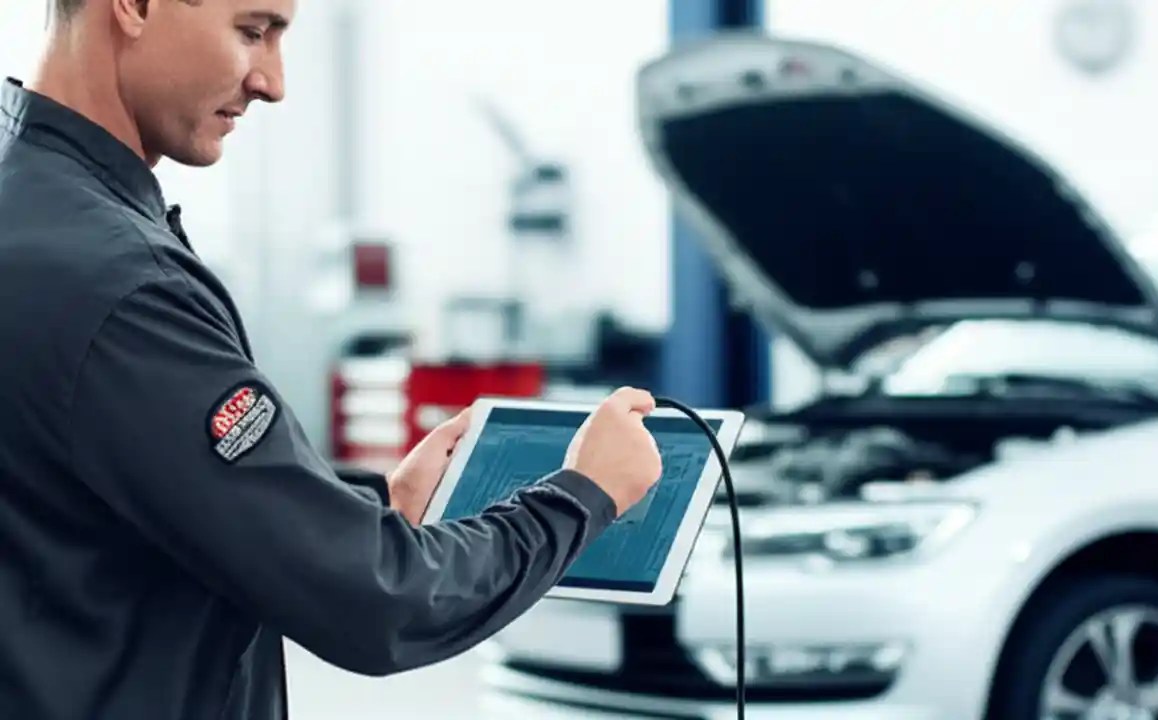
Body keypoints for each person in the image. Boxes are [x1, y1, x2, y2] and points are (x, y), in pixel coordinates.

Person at [0, 1, 664, 718]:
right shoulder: (118, 282)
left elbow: (115, 501)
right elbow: (379, 602)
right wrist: (583, 495)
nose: (273, 82)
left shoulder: (28, 205)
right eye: (252, 32)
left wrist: (372, 508)